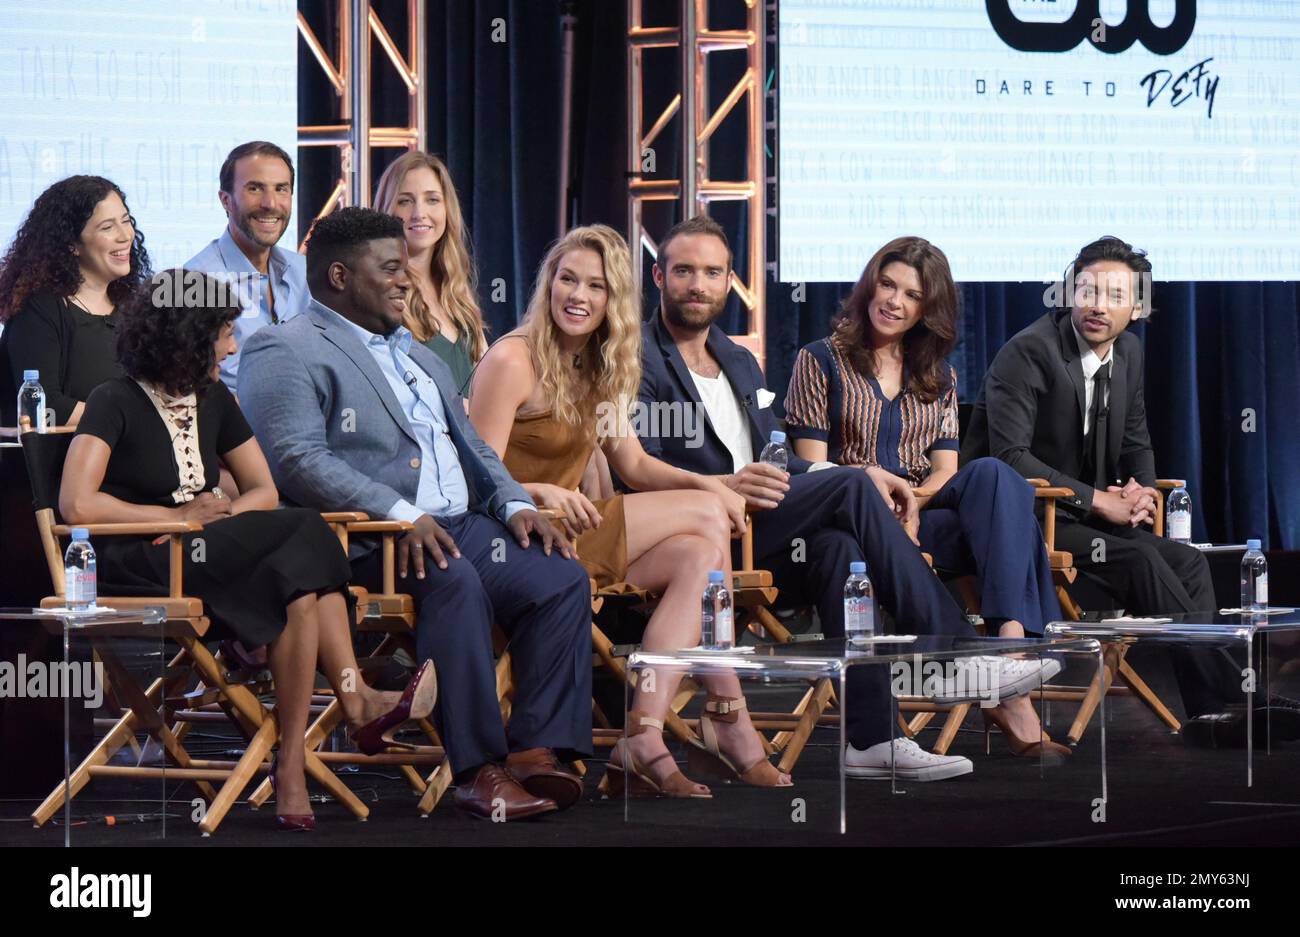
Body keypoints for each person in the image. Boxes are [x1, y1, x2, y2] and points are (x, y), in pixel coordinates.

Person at [637, 215, 1055, 776]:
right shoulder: (637, 355)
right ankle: (956, 653)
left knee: (846, 547)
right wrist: (739, 485)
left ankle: (872, 739)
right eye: (685, 271)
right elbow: (635, 466)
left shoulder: (737, 359)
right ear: (659, 276)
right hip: (707, 527)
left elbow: (777, 458)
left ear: (730, 280)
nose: (698, 284)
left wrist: (892, 493)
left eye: (712, 272)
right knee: (855, 485)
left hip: (783, 514)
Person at [238, 208, 592, 820]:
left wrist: (512, 503)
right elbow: (298, 460)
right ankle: (480, 771)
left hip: (461, 524)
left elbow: (474, 448)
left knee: (559, 575)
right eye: (392, 269)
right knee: (455, 584)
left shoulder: (420, 357)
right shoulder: (283, 347)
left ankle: (536, 749)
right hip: (369, 538)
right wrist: (401, 513)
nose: (408, 280)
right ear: (341, 277)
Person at [58, 268, 432, 831]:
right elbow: (77, 505)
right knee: (305, 531)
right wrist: (176, 517)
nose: (233, 345)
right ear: (188, 335)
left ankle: (291, 764)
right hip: (142, 558)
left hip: (209, 552)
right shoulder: (113, 400)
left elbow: (262, 489)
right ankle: (351, 704)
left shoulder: (214, 400)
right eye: (224, 332)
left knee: (298, 584)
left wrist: (218, 516)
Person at [469, 224, 791, 796]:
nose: (578, 296)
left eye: (595, 286)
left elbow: (636, 466)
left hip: (574, 535)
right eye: (567, 280)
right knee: (709, 524)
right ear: (548, 285)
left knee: (699, 555)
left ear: (613, 299)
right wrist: (539, 491)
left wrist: (710, 483)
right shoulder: (513, 360)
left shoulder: (603, 367)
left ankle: (643, 732)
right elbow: (474, 475)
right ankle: (727, 714)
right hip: (512, 539)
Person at [962, 235, 1268, 746]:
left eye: (1114, 295)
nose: (1097, 305)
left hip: (1081, 518)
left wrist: (1143, 492)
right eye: (1087, 290)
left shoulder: (1128, 352)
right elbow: (1009, 458)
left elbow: (1135, 439)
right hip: (1019, 518)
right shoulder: (1030, 351)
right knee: (1142, 562)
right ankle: (1241, 700)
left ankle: (1212, 715)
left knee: (1188, 561)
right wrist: (1099, 499)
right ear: (1069, 292)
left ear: (1138, 307)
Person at [784, 236, 1064, 756]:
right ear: (869, 286)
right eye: (887, 285)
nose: (894, 301)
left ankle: (1006, 642)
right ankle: (1007, 689)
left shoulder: (939, 377)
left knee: (996, 476)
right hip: (849, 524)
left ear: (927, 309)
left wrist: (911, 507)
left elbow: (944, 472)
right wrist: (883, 505)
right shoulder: (819, 360)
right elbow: (813, 468)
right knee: (1013, 516)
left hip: (922, 521)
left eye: (911, 295)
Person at [0, 176, 150, 428]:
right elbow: (44, 406)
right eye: (107, 227)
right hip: (59, 460)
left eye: (126, 221)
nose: (125, 235)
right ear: (72, 244)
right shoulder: (39, 308)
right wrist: (132, 418)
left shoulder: (133, 307)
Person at [186, 141, 310, 393]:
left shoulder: (304, 271)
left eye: (281, 189)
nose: (271, 203)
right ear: (225, 200)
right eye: (255, 188)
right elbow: (190, 392)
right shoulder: (196, 282)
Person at [373, 152, 487, 397]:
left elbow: (487, 374)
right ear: (386, 210)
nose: (419, 213)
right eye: (405, 201)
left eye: (432, 200)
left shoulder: (456, 290)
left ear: (447, 209)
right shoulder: (378, 294)